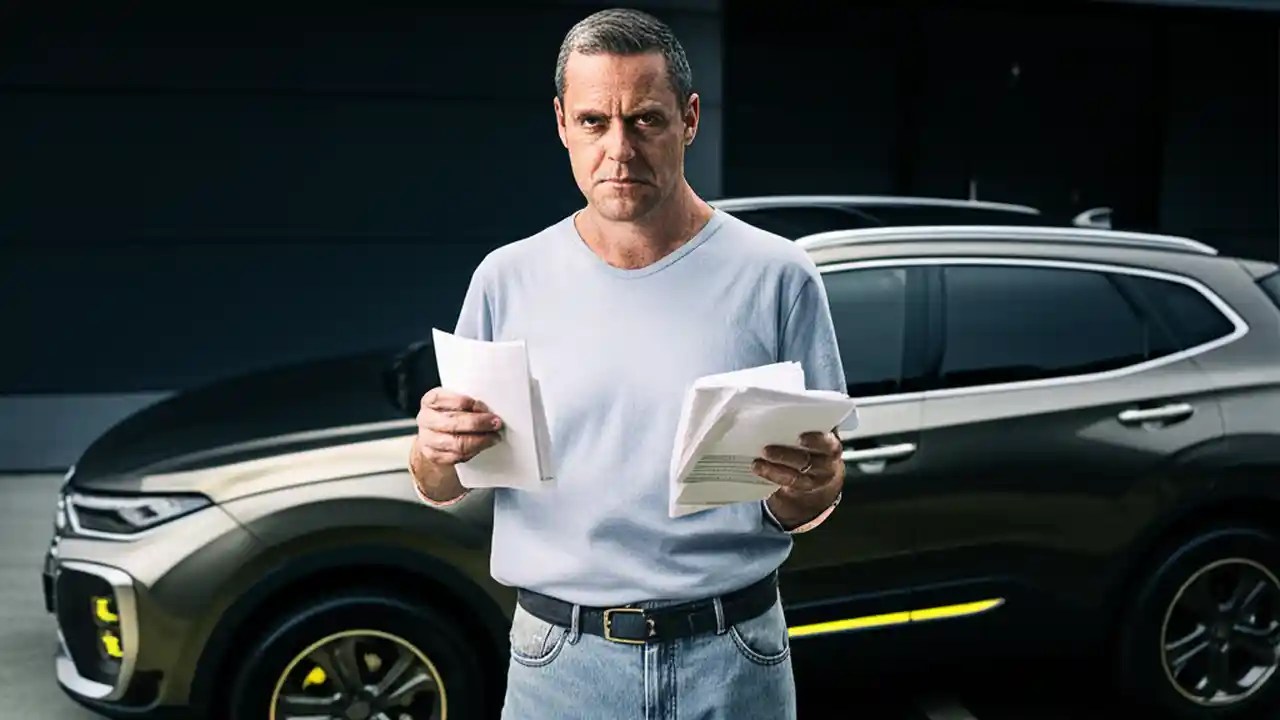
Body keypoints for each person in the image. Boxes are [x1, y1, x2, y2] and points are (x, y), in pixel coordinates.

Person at [408, 7, 847, 719]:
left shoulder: (779, 274)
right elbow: (446, 480)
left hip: (733, 656)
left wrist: (817, 484)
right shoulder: (506, 276)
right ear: (561, 123)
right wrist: (433, 452)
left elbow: (810, 500)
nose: (619, 149)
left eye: (645, 119)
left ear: (690, 119)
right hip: (561, 665)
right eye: (593, 122)